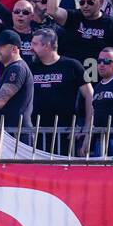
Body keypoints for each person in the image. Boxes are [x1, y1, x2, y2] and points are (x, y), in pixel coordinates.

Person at [28, 26, 92, 156]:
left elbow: (90, 95)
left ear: (47, 46)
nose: (30, 48)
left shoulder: (73, 65)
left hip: (66, 133)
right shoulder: (30, 67)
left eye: (35, 44)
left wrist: (86, 128)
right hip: (36, 133)